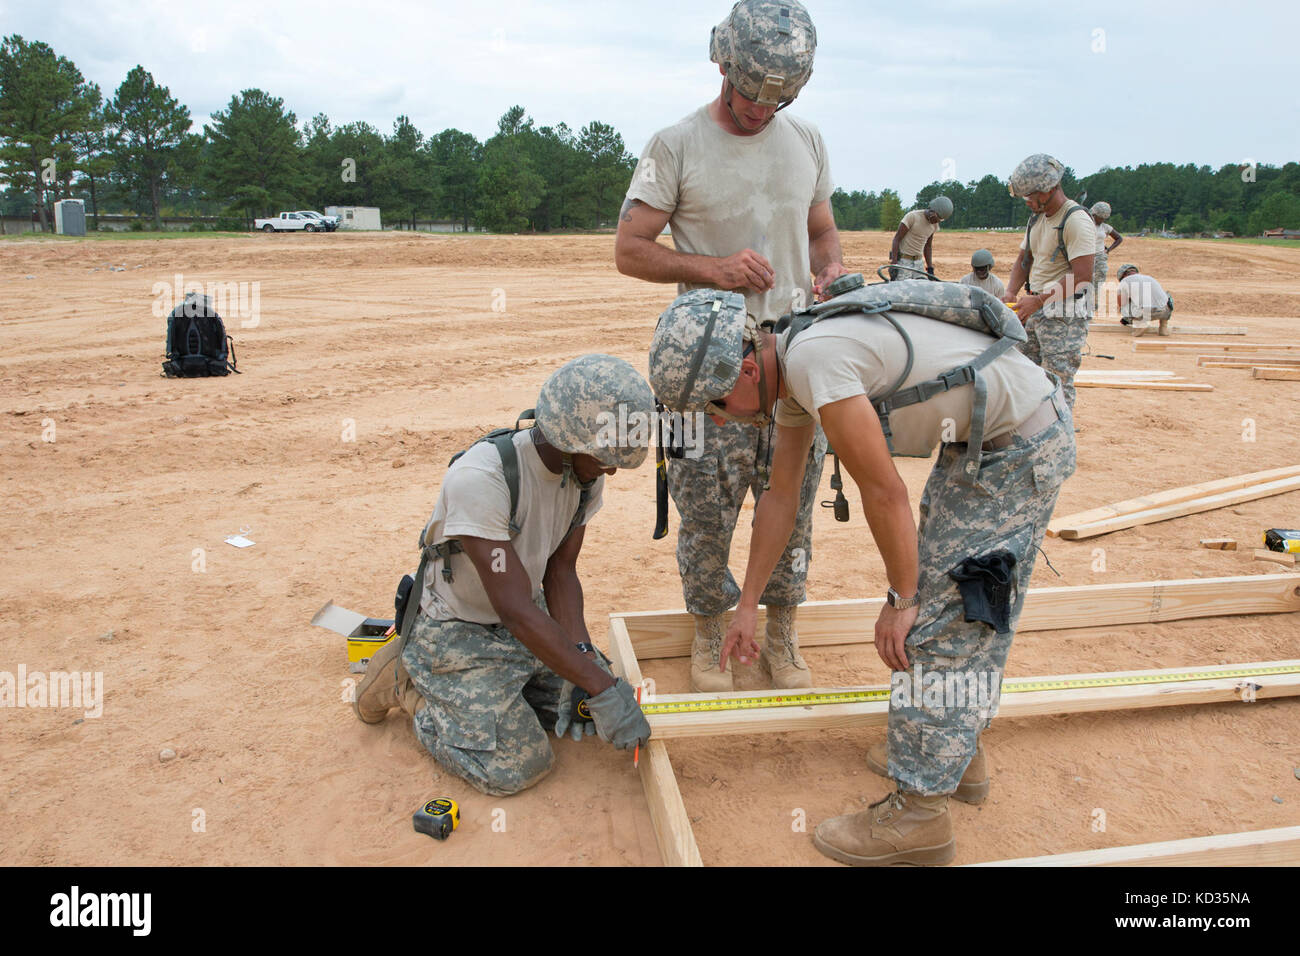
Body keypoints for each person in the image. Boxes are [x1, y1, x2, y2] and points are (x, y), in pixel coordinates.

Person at [648, 286, 1075, 865]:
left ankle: (921, 814)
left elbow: (883, 491)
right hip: (984, 446)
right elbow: (781, 496)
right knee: (952, 604)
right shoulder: (794, 366)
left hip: (1015, 449)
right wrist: (746, 604)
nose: (723, 419)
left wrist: (902, 597)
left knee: (935, 623)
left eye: (717, 405)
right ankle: (957, 755)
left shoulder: (813, 361)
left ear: (747, 369)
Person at [615, 0, 848, 693]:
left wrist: (828, 270)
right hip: (700, 375)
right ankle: (710, 628)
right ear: (721, 62)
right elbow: (629, 250)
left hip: (791, 365)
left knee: (795, 501)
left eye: (779, 99)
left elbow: (822, 233)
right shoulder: (675, 145)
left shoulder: (805, 139)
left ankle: (781, 629)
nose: (760, 110)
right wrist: (715, 270)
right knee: (703, 512)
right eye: (750, 94)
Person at [352, 355, 654, 796]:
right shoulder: (481, 479)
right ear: (569, 437)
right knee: (518, 766)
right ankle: (408, 684)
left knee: (587, 713)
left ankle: (498, 696)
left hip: (524, 618)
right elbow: (513, 608)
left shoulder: (584, 476)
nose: (611, 469)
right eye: (606, 457)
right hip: (459, 629)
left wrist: (586, 661)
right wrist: (600, 686)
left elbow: (561, 572)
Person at [1004, 154, 1095, 410]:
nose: (1028, 202)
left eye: (1031, 196)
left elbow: (1083, 276)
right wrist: (1011, 290)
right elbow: (1025, 258)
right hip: (1034, 307)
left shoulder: (1075, 220)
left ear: (1050, 188)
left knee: (1056, 382)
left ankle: (1058, 442)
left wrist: (1040, 300)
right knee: (1026, 377)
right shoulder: (1037, 219)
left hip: (1063, 313)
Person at [889, 196, 952, 280]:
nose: (936, 222)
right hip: (904, 262)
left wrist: (930, 268)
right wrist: (894, 263)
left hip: (919, 262)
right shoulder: (912, 217)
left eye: (940, 220)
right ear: (932, 211)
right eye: (936, 218)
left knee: (922, 287)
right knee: (903, 288)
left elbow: (928, 246)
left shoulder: (934, 225)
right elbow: (897, 239)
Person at [1116, 263, 1174, 336]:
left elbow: (1121, 303)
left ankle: (1141, 325)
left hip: (1145, 314)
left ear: (1122, 275)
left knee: (1125, 306)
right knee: (1167, 296)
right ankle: (1163, 327)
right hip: (1164, 312)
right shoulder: (1149, 278)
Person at [1089, 202, 1123, 296]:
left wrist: (1108, 250)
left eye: (1104, 218)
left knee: (1099, 279)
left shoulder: (1105, 227)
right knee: (1086, 279)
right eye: (1100, 217)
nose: (1101, 220)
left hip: (1100, 256)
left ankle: (1094, 300)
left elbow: (1119, 238)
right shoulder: (1085, 224)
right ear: (1094, 214)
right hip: (1087, 255)